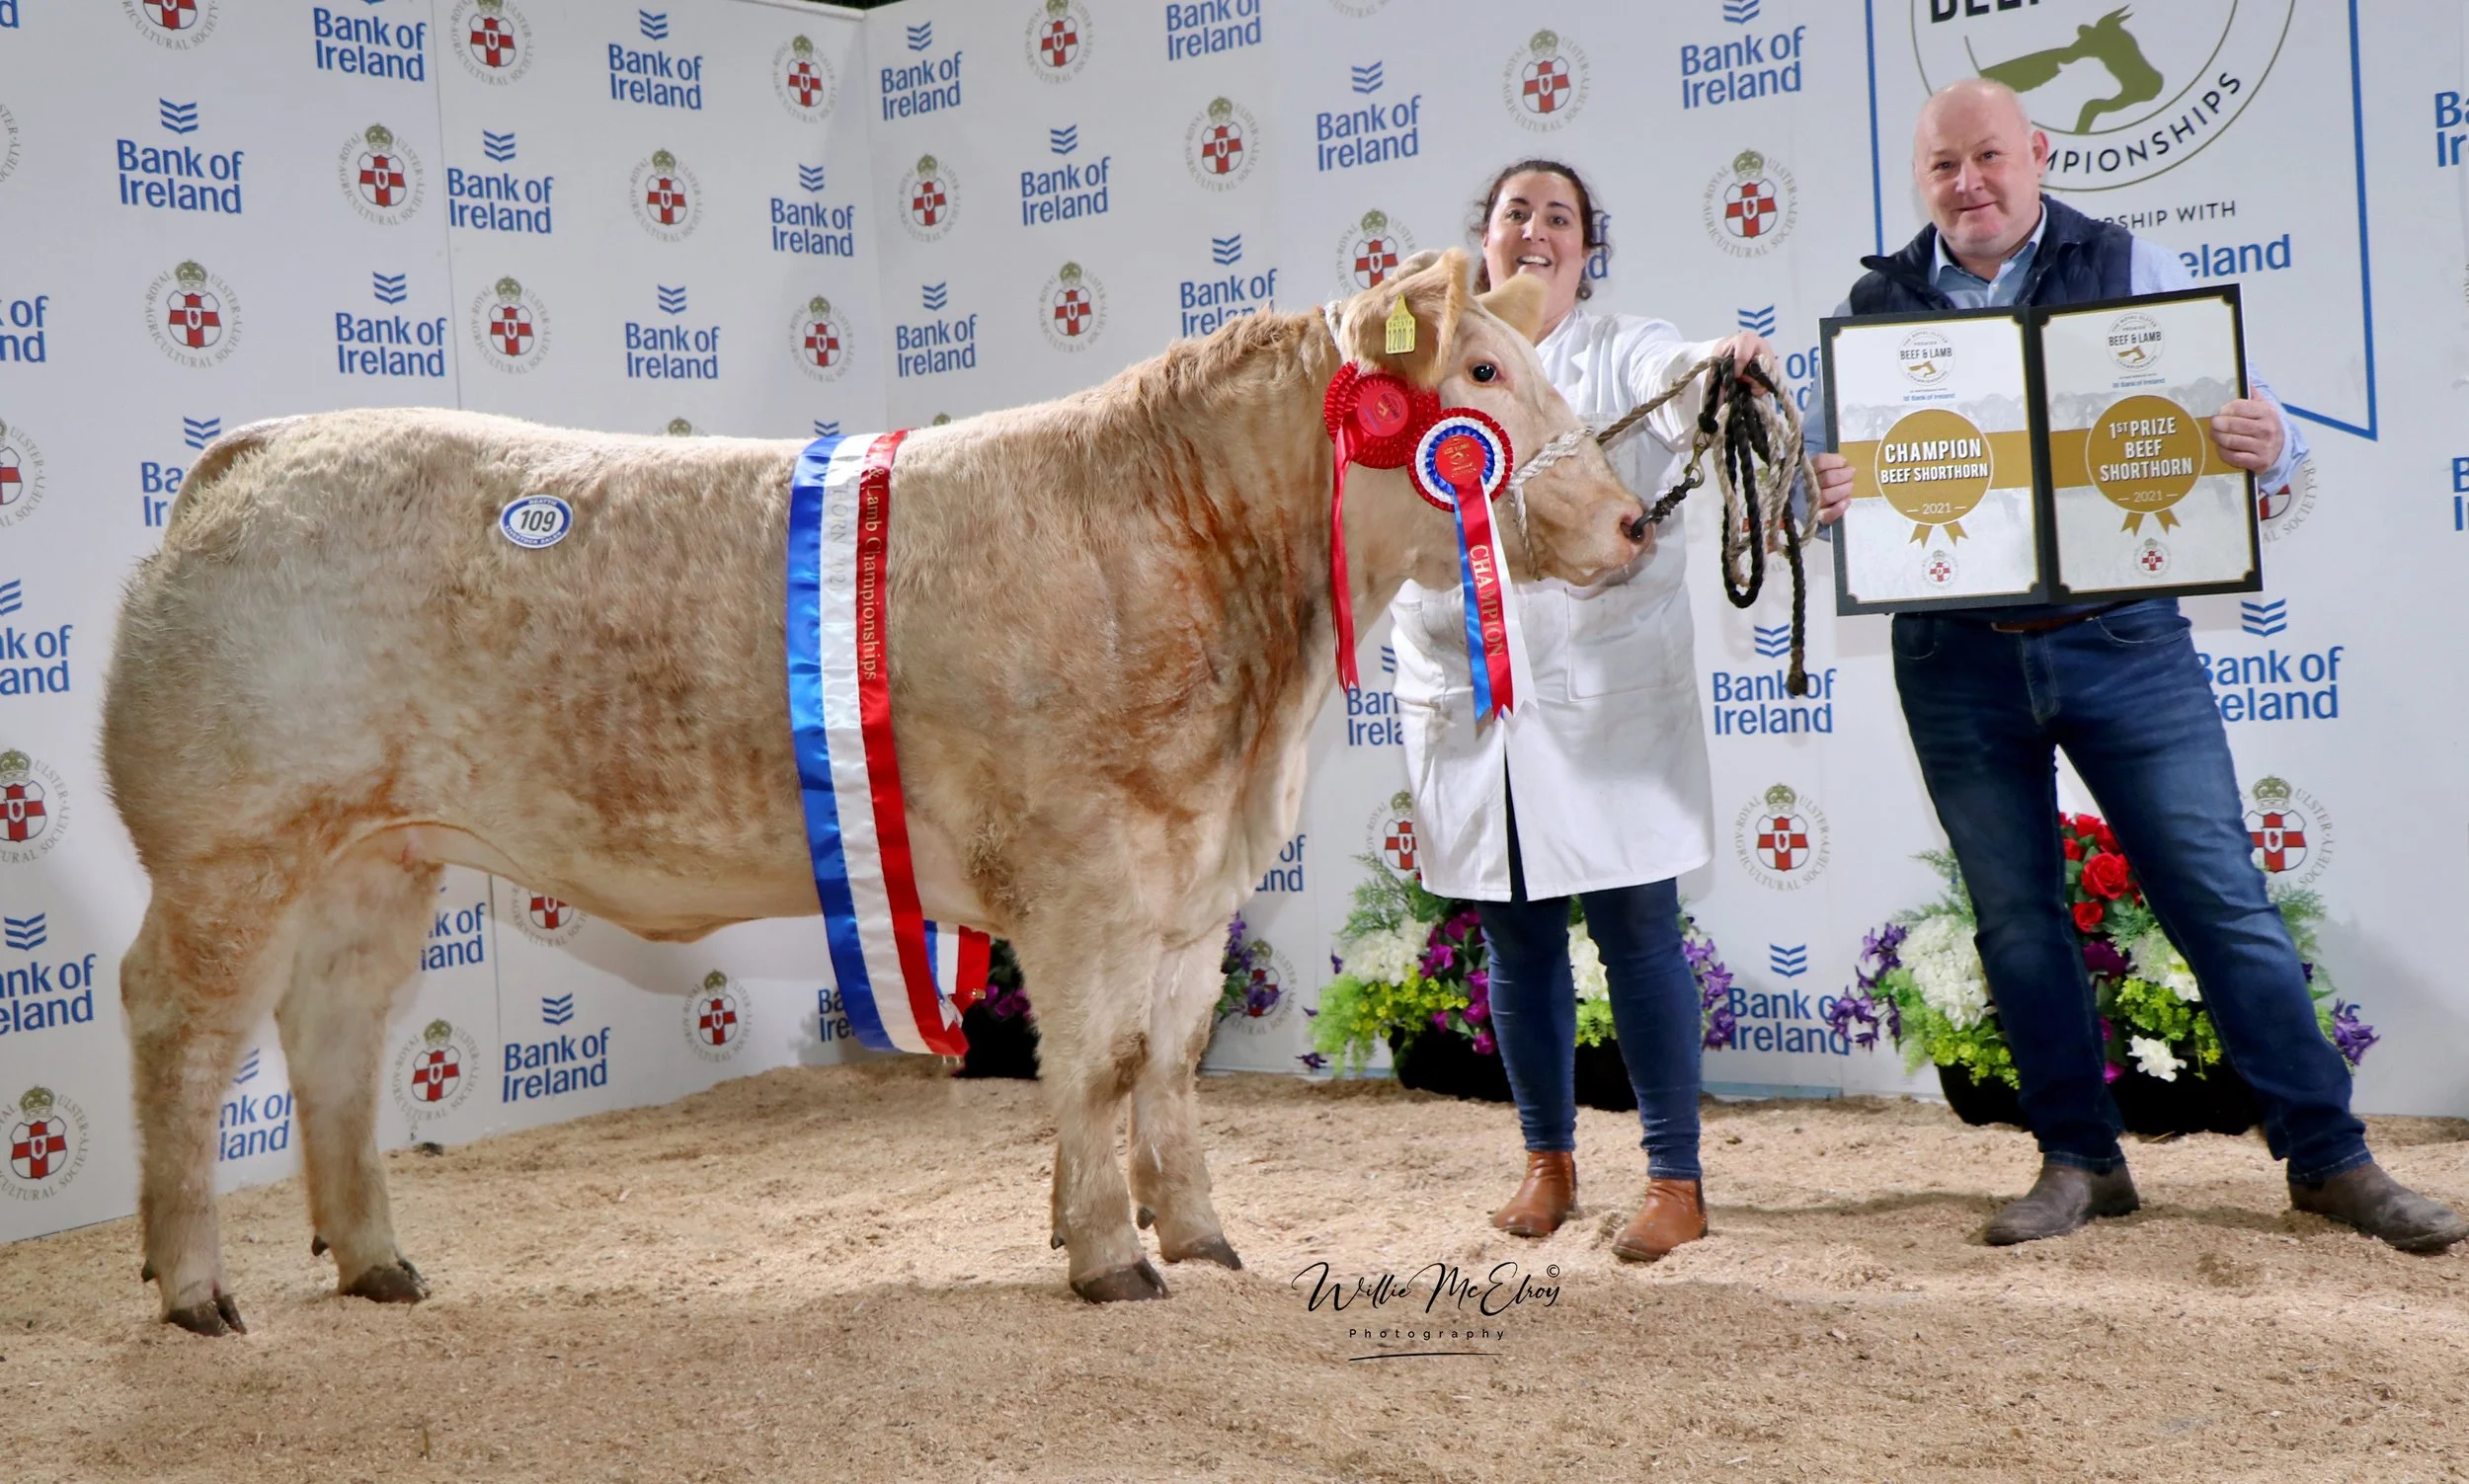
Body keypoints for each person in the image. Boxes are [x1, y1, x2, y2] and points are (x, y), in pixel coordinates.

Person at [1805, 79, 2466, 1252]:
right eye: (1943, 166)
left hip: (2126, 642)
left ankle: (2329, 1160)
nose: (1969, 183)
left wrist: (2274, 444)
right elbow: (1826, 480)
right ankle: (2080, 1163)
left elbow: (2243, 430)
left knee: (2220, 903)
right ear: (1920, 180)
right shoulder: (1876, 303)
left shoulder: (2131, 264)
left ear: (2038, 154)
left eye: (1989, 157)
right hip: (1954, 662)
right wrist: (1821, 492)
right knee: (2014, 922)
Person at [1388, 159, 1777, 1262]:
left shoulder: (1621, 347)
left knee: (1638, 934)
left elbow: (1685, 370)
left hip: (1605, 696)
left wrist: (1724, 363)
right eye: (1518, 213)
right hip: (1471, 698)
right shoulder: (1432, 364)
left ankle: (1672, 1176)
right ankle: (1545, 1164)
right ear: (1485, 237)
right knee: (1516, 945)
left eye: (1560, 217)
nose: (1537, 231)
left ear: (1585, 248)